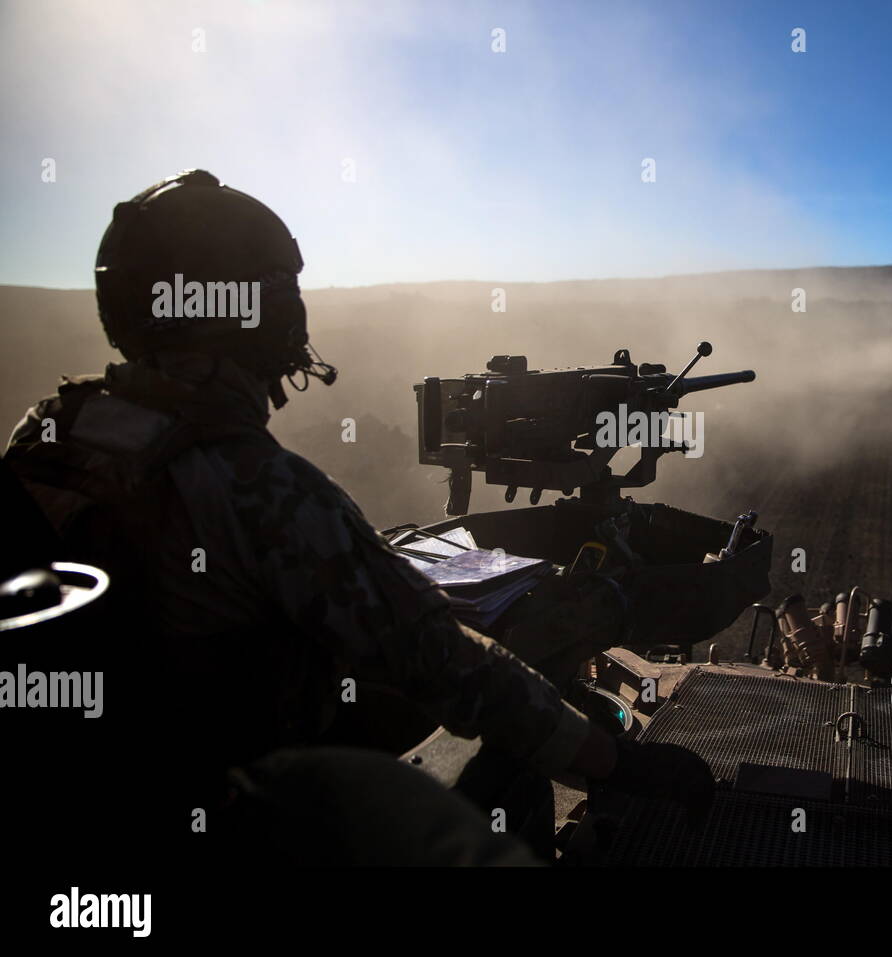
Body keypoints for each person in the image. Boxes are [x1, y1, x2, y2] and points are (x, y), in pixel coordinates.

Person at [3, 169, 713, 864]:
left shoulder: (47, 430)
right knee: (487, 786)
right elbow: (447, 661)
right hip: (220, 805)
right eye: (283, 290)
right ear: (267, 313)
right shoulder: (256, 485)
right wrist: (611, 760)